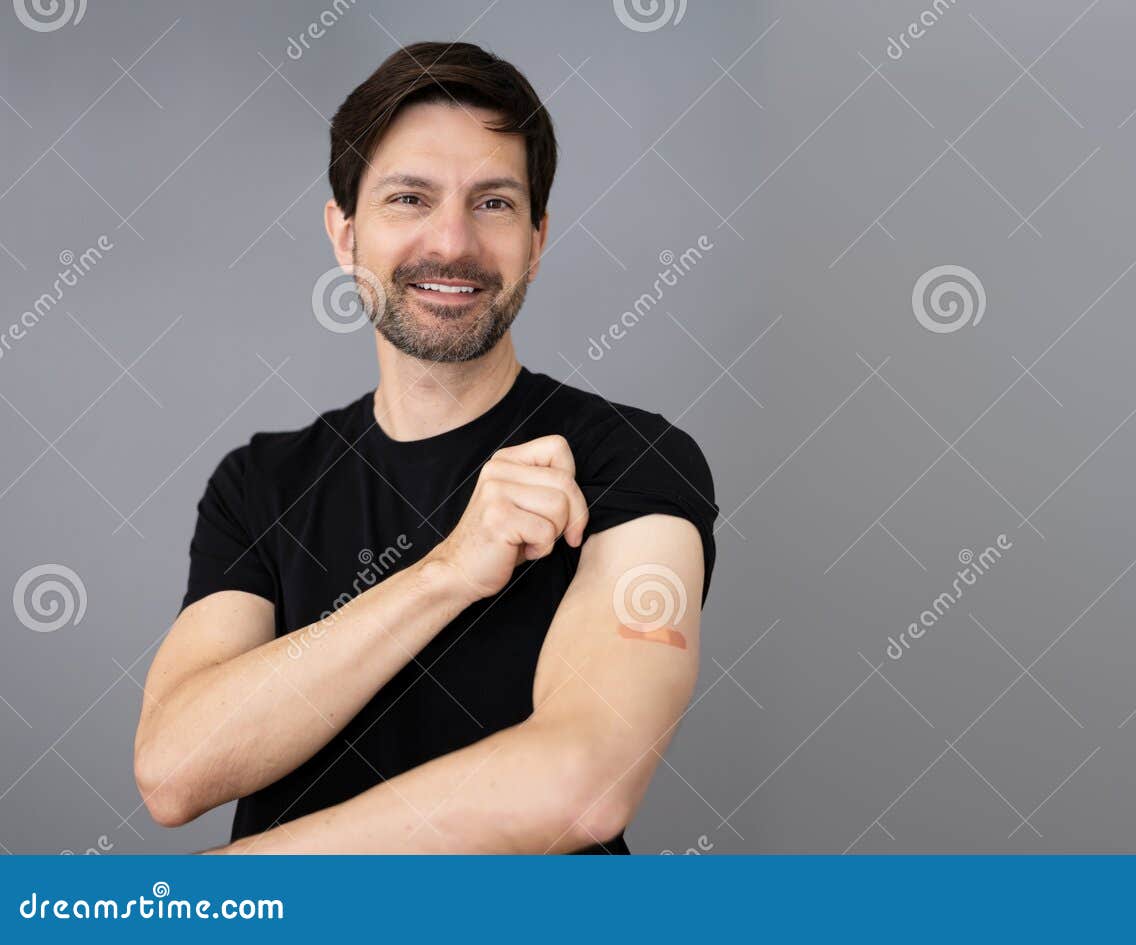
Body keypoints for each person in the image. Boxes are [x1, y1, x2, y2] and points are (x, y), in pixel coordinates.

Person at [130, 42, 717, 854]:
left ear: (538, 240)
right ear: (345, 235)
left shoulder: (633, 459)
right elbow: (175, 767)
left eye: (494, 203)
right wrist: (444, 574)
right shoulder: (261, 482)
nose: (452, 242)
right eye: (410, 197)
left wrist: (248, 877)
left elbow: (585, 781)